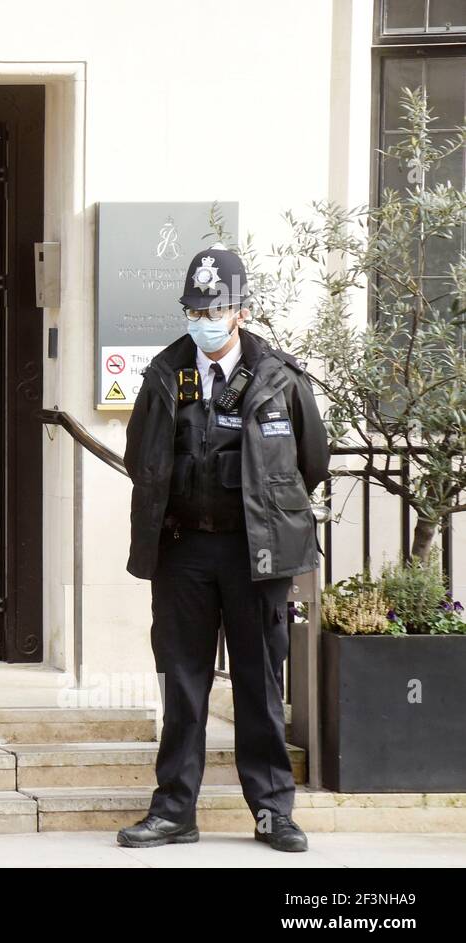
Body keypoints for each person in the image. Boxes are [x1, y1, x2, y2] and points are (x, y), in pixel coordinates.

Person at [119, 244, 329, 853]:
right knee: (182, 682)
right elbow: (141, 455)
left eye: (214, 308)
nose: (203, 318)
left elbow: (311, 462)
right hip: (184, 550)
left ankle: (271, 810)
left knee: (260, 685)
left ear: (240, 310)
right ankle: (174, 811)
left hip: (255, 554)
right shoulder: (165, 374)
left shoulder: (279, 377)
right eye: (194, 307)